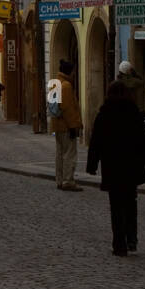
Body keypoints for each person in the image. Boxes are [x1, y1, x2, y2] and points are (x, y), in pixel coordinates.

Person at [86, 79, 145, 256]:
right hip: (131, 166)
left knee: (116, 206)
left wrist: (92, 165)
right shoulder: (133, 113)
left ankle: (119, 244)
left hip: (113, 166)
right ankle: (132, 239)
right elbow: (144, 141)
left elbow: (96, 142)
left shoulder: (104, 114)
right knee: (130, 203)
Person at [50, 59, 83, 191]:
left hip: (57, 125)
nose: (75, 74)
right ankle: (68, 180)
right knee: (69, 154)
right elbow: (68, 109)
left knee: (60, 153)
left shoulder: (55, 83)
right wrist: (74, 126)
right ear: (69, 72)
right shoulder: (66, 86)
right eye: (74, 71)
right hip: (66, 126)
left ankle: (60, 179)